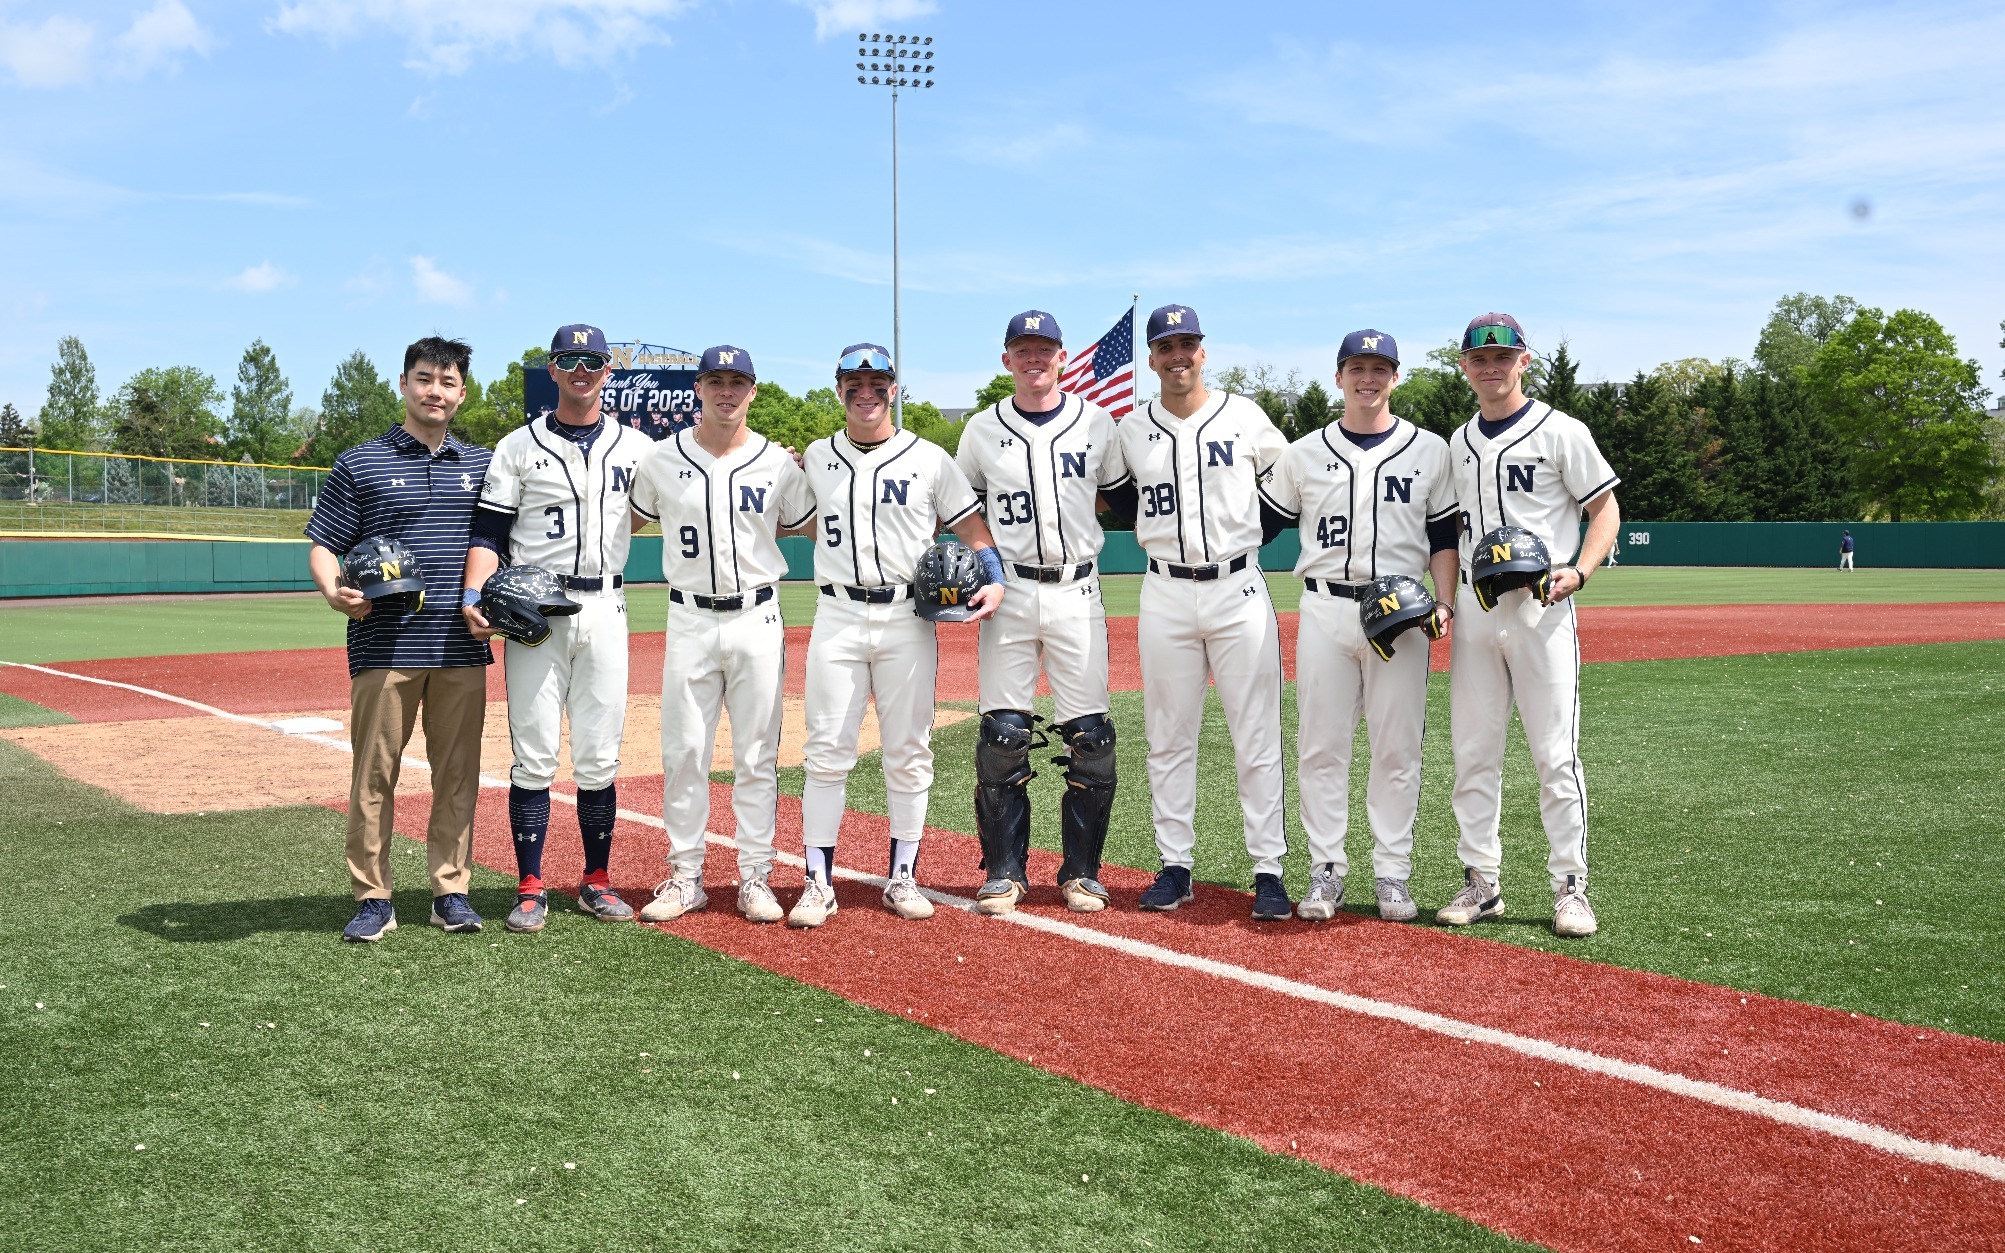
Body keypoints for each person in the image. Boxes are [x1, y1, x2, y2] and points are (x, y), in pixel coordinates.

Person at [790, 343, 1006, 928]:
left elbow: (971, 527)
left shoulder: (929, 458)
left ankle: (902, 875)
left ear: (893, 388)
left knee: (908, 751)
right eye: (854, 382)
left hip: (907, 618)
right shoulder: (816, 456)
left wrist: (995, 577)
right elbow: (793, 517)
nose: (866, 392)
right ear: (839, 389)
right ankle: (817, 882)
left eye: (878, 382)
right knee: (826, 753)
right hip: (836, 613)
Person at [1259, 330, 1458, 922]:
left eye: (1379, 369)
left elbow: (1443, 538)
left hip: (1402, 612)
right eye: (1357, 368)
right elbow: (1259, 524)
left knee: (1397, 746)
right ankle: (1326, 869)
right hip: (1326, 606)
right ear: (1339, 376)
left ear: (1395, 377)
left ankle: (1392, 871)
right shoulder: (1302, 452)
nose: (1367, 379)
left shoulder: (1430, 450)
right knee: (1321, 745)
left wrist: (1445, 601)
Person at [462, 324, 649, 934]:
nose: (581, 371)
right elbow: (489, 532)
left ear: (608, 370)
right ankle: (530, 885)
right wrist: (473, 594)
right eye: (569, 361)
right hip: (534, 608)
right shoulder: (518, 445)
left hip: (606, 603)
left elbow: (674, 502)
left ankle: (596, 879)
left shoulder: (637, 447)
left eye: (592, 361)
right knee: (535, 753)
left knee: (599, 754)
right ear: (552, 369)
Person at [304, 336, 492, 943]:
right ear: (404, 384)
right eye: (424, 378)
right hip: (383, 644)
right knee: (374, 776)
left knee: (457, 774)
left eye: (447, 382)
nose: (435, 391)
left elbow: (499, 547)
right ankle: (373, 897)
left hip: (460, 645)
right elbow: (324, 545)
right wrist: (332, 590)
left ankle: (450, 890)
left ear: (462, 393)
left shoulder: (484, 466)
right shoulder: (360, 462)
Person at [1109, 305, 1293, 921]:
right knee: (1167, 735)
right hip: (1164, 589)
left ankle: (1269, 869)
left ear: (1203, 352)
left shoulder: (1244, 416)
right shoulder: (1132, 428)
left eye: (1186, 344)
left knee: (1257, 735)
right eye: (1166, 346)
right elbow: (1117, 498)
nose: (1177, 356)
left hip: (1237, 586)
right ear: (1152, 358)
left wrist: (1249, 534)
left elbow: (1288, 485)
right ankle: (1175, 865)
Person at [1443, 313, 1621, 938]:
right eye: (1479, 358)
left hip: (1541, 605)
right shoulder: (1458, 443)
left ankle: (1570, 886)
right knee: (1473, 752)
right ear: (1464, 367)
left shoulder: (1561, 430)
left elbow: (1606, 507)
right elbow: (1447, 529)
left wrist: (1582, 570)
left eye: (1503, 356)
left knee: (1554, 754)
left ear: (1524, 360)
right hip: (1475, 607)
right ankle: (1481, 882)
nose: (1491, 366)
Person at [628, 346, 814, 924]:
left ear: (752, 391)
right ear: (699, 388)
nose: (726, 392)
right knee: (685, 752)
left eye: (737, 382)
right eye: (716, 381)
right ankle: (686, 876)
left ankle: (755, 875)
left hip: (756, 616)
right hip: (688, 617)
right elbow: (624, 520)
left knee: (758, 755)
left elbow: (813, 524)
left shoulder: (777, 463)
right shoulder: (661, 458)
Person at [955, 311, 1132, 915]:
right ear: (1007, 359)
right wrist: (988, 566)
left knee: (1093, 737)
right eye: (1023, 349)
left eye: (1045, 349)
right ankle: (1004, 872)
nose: (1035, 359)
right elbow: (964, 509)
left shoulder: (1097, 423)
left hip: (1077, 588)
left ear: (1062, 356)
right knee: (1003, 735)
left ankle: (1081, 873)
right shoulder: (981, 429)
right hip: (1009, 590)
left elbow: (1118, 496)